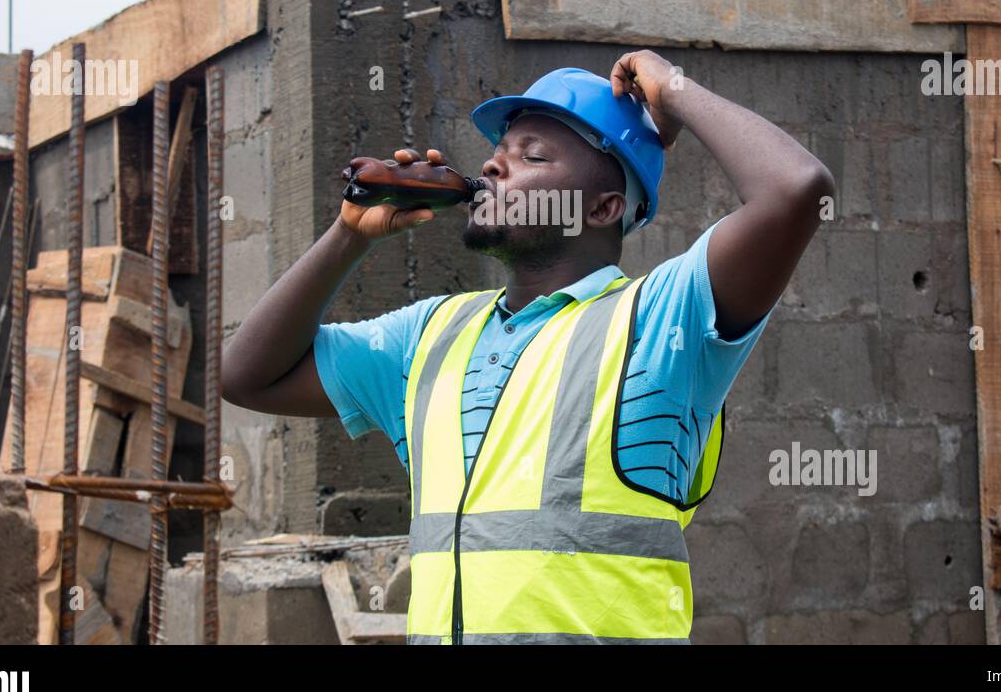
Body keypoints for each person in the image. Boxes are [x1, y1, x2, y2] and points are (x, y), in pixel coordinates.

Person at [222, 49, 833, 644]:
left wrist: (671, 88)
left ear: (603, 206)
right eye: (497, 152)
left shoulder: (657, 321)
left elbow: (796, 189)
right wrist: (348, 235)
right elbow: (247, 375)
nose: (492, 167)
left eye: (532, 155)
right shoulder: (430, 335)